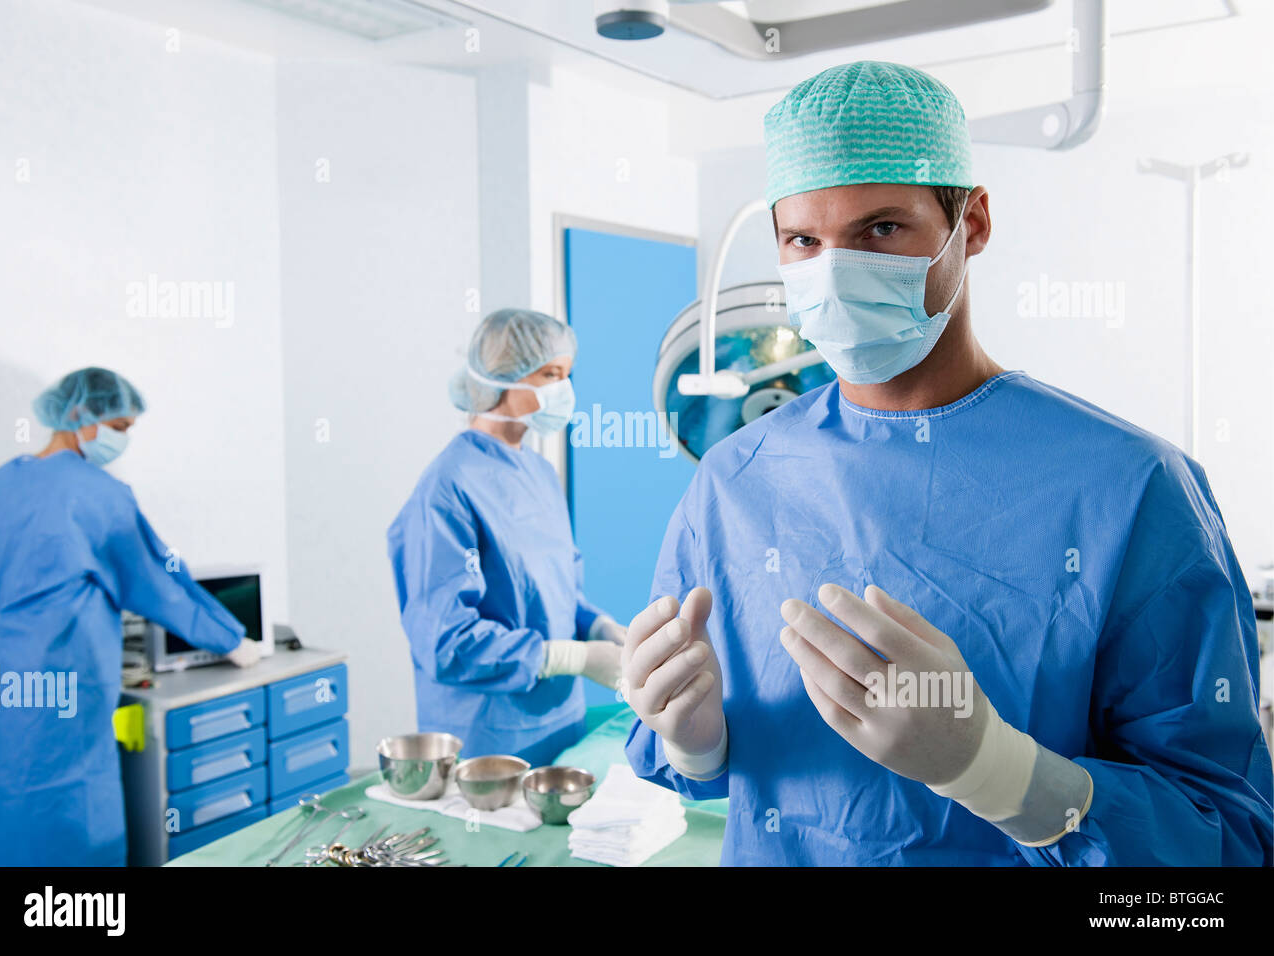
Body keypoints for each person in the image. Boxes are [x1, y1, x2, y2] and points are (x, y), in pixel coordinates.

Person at [622, 61, 1273, 866]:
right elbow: (717, 767)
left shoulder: (1133, 489)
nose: (835, 270)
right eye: (804, 240)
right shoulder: (734, 480)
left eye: (881, 230)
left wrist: (997, 772)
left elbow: (1226, 845)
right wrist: (695, 745)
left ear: (974, 223)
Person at [0, 367, 260, 866]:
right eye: (121, 428)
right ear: (80, 415)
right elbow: (160, 581)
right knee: (74, 828)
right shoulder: (99, 494)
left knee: (2, 822)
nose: (122, 440)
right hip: (63, 695)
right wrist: (232, 639)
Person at [388, 309, 624, 768]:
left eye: (567, 375)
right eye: (550, 374)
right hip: (488, 737)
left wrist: (601, 629)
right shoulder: (447, 487)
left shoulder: (539, 473)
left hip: (560, 722)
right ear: (502, 377)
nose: (563, 390)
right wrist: (570, 657)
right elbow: (445, 640)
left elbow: (557, 593)